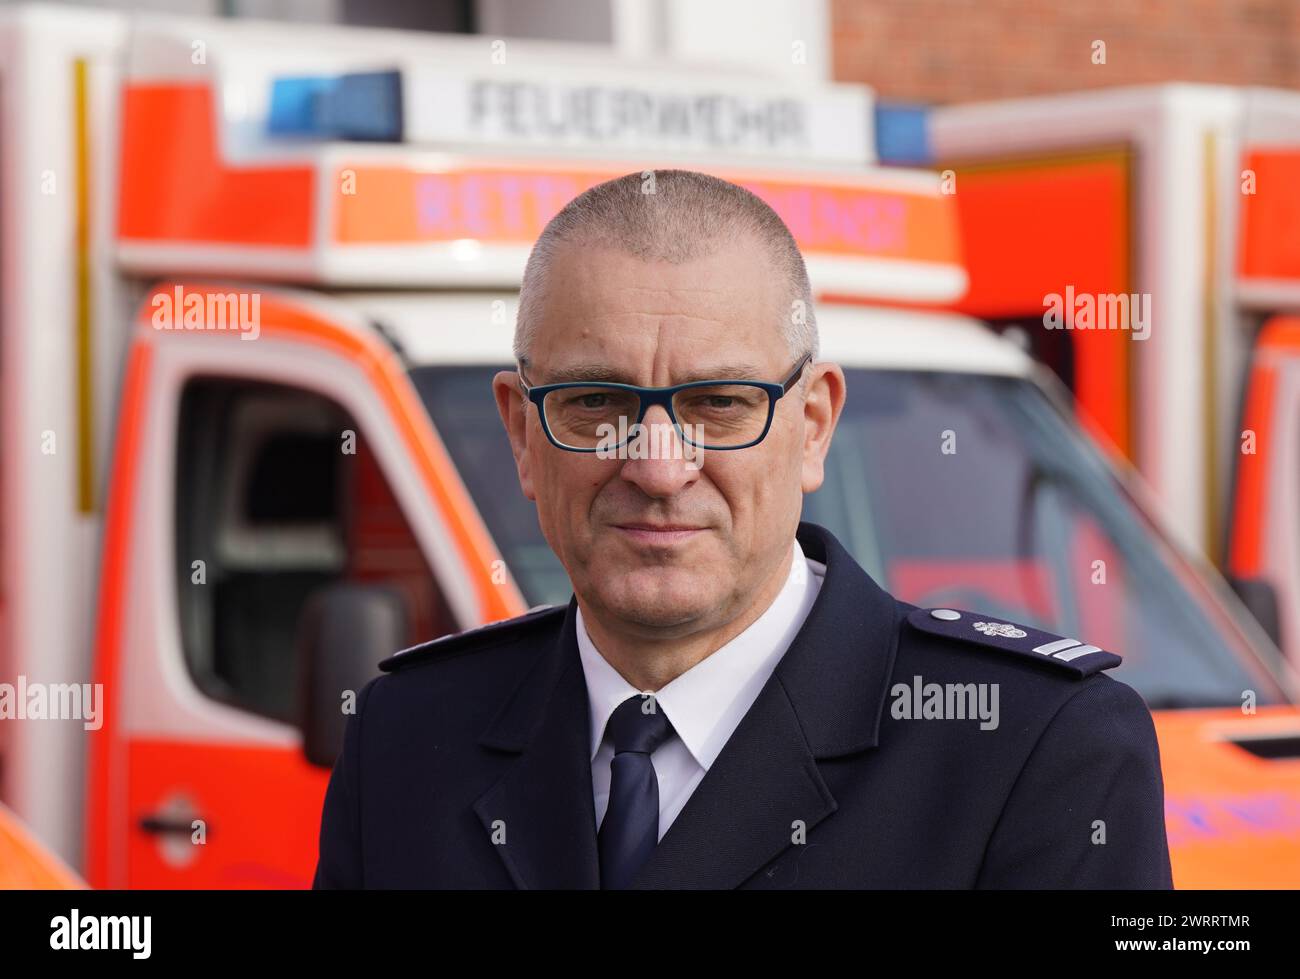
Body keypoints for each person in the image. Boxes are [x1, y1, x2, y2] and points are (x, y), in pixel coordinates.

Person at [313, 169, 1173, 889]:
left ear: (814, 424)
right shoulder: (407, 739)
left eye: (719, 404)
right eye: (596, 403)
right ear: (522, 434)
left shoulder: (1033, 750)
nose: (656, 465)